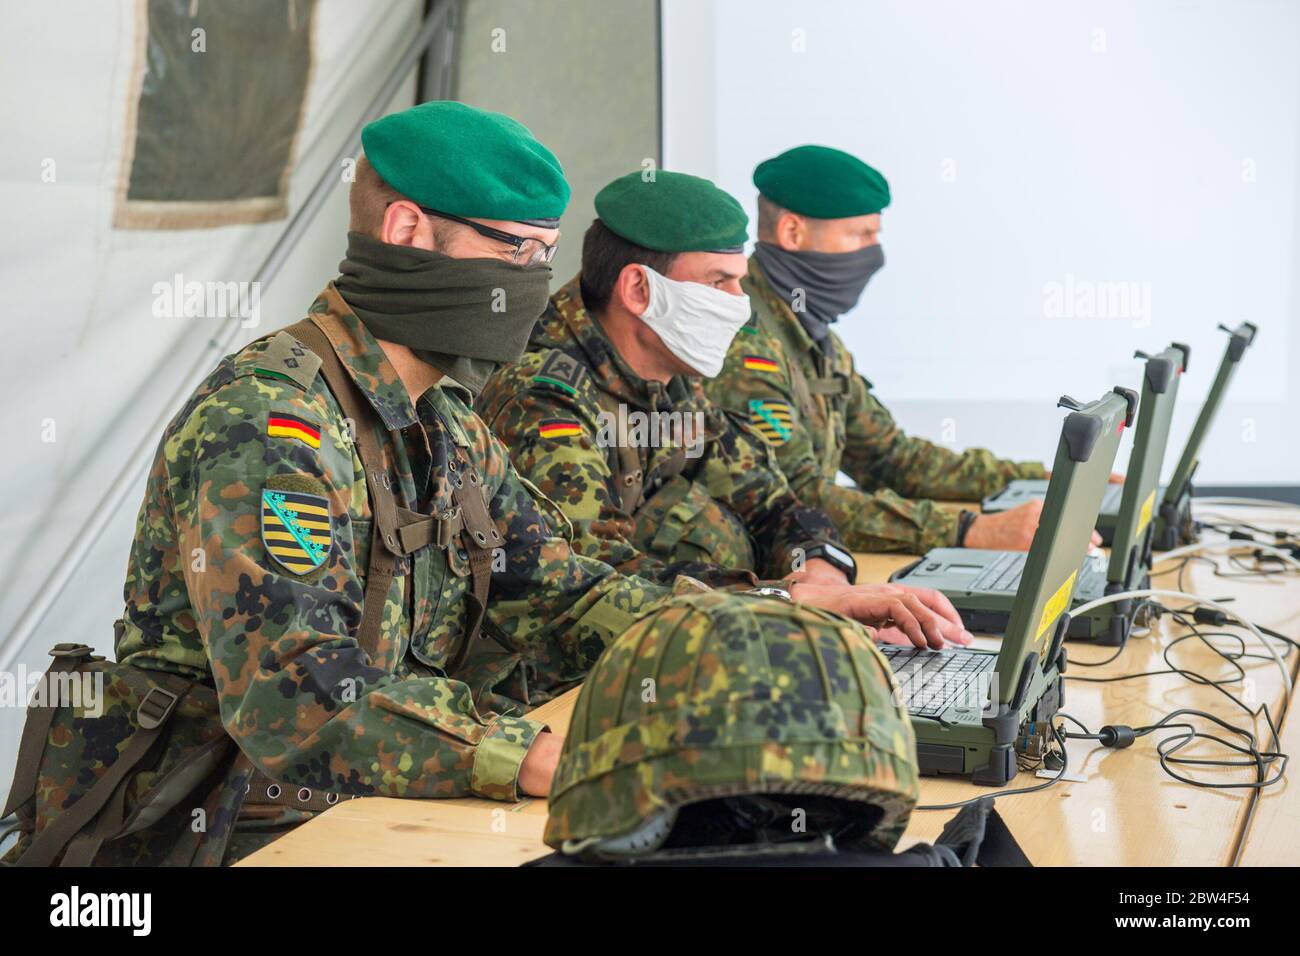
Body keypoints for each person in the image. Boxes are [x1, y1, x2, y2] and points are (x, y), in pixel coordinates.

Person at [477, 170, 971, 650]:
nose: (740, 303)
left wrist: (822, 574)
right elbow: (591, 580)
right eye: (719, 283)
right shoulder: (542, 396)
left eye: (740, 281)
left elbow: (772, 499)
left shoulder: (672, 374)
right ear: (639, 290)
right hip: (551, 686)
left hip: (675, 643)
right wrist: (786, 602)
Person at [704, 145, 1088, 554]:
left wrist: (1034, 479)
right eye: (860, 235)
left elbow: (890, 459)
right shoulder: (744, 343)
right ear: (793, 233)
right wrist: (968, 531)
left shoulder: (811, 337)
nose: (875, 254)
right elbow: (795, 500)